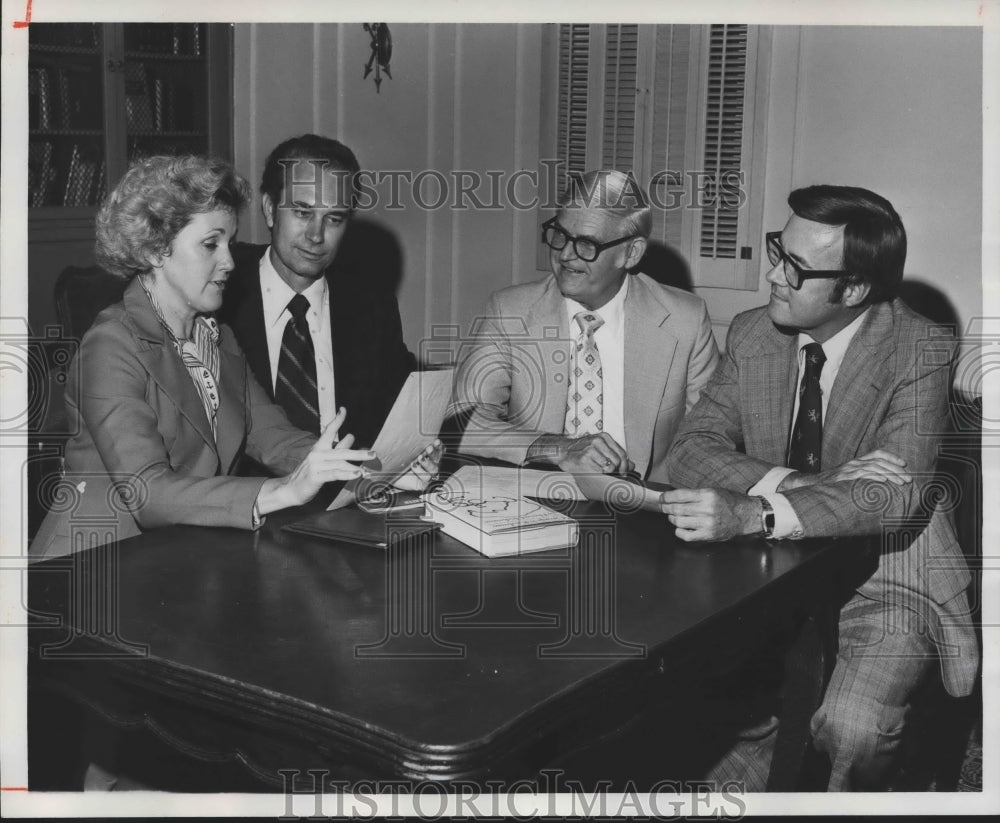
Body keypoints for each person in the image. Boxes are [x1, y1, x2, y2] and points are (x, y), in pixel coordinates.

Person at [662, 185, 979, 790]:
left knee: (852, 728)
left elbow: (892, 497)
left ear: (853, 289)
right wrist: (820, 482)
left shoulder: (920, 347)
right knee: (713, 708)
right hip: (765, 574)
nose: (772, 273)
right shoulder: (754, 334)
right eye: (778, 248)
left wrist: (756, 513)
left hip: (886, 577)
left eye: (795, 266)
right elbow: (690, 452)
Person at [30, 155, 374, 560]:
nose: (229, 261)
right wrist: (281, 491)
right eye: (211, 244)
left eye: (229, 242)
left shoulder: (217, 336)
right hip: (94, 568)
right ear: (157, 249)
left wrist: (373, 469)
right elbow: (147, 491)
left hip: (176, 558)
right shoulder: (109, 345)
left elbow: (273, 436)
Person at [450, 170, 719, 483]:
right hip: (537, 496)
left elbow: (708, 439)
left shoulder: (686, 319)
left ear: (631, 253)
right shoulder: (510, 311)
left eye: (587, 244)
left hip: (644, 508)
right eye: (560, 235)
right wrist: (558, 448)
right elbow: (462, 421)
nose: (565, 254)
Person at [218, 133, 417, 451]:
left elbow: (401, 412)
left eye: (333, 219)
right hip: (250, 495)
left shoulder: (372, 306)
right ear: (270, 209)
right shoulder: (219, 295)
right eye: (302, 212)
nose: (316, 235)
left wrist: (414, 453)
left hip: (348, 493)